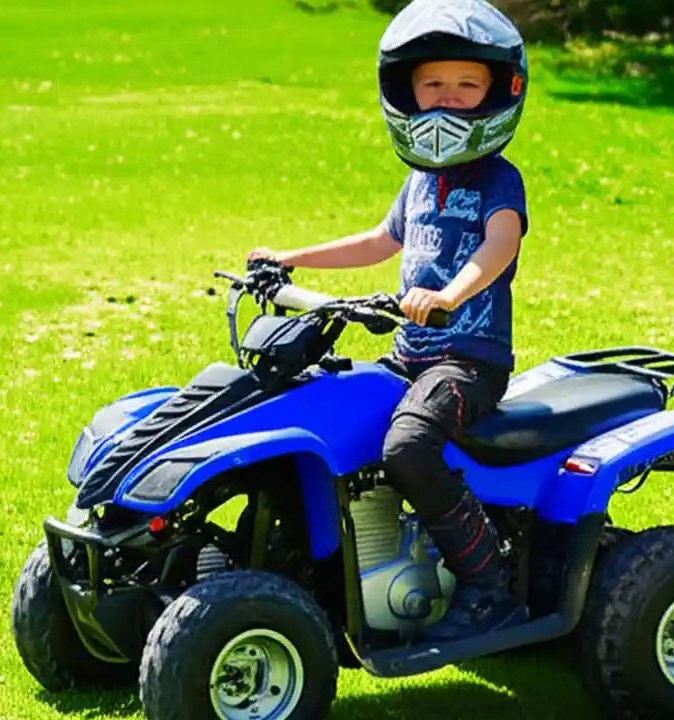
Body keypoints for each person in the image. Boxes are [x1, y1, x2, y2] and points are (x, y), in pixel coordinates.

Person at [247, 0, 530, 642]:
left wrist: (451, 293)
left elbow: (499, 245)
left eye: (466, 86)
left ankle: (488, 582)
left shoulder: (497, 180)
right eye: (433, 84)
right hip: (409, 356)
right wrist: (288, 258)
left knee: (407, 446)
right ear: (407, 89)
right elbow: (378, 242)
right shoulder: (418, 180)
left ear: (495, 93)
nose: (447, 100)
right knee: (327, 411)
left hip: (468, 364)